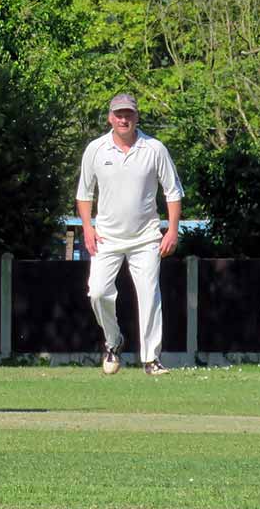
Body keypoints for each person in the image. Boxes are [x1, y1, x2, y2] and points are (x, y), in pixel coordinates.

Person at [75, 93, 184, 376]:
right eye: (118, 114)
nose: (124, 119)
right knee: (98, 292)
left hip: (146, 237)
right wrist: (88, 227)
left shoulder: (154, 148)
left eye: (129, 114)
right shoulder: (95, 149)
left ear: (137, 117)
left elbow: (172, 191)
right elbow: (84, 194)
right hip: (106, 238)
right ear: (110, 117)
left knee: (149, 294)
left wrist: (172, 229)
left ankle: (151, 359)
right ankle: (114, 341)